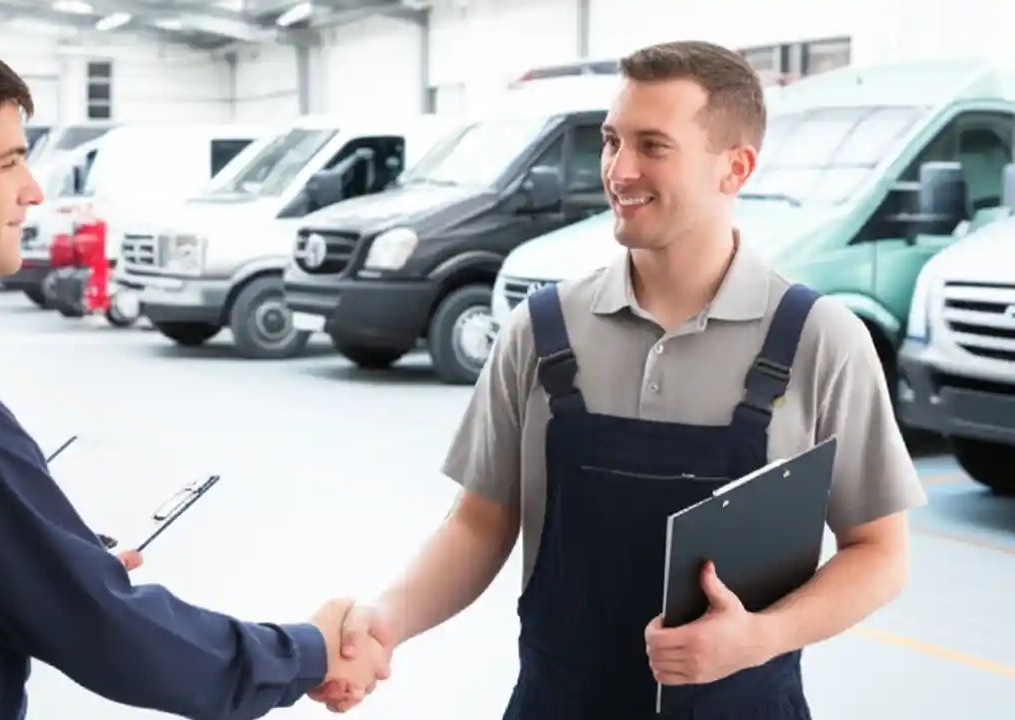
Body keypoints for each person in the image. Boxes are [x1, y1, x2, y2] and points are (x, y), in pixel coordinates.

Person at [0, 32, 385, 719]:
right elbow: (111, 636)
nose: (33, 189)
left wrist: (42, 557)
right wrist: (307, 651)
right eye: (10, 162)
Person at [312, 40, 928, 717]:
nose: (619, 169)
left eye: (653, 146)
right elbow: (479, 523)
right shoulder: (542, 331)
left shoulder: (820, 340)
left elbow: (879, 553)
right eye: (611, 141)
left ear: (736, 168)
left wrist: (760, 637)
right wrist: (385, 623)